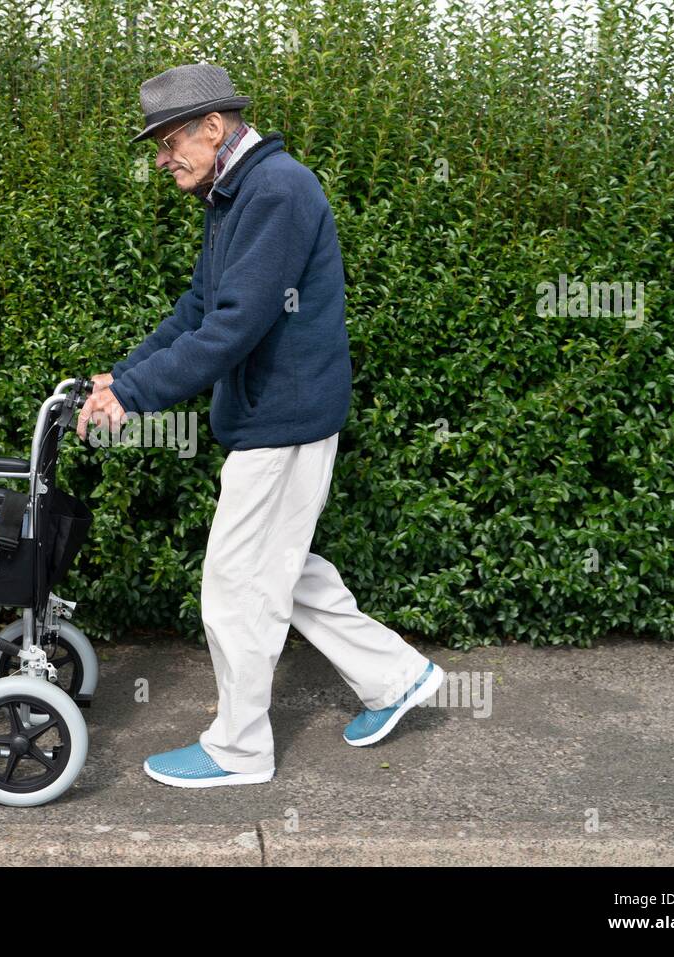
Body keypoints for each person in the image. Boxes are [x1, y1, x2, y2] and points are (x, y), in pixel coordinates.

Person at [77, 63, 444, 788]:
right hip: (275, 415)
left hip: (285, 419)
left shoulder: (275, 191)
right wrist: (125, 375)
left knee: (237, 581)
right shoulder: (235, 193)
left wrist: (137, 396)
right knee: (284, 570)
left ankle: (240, 748)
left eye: (168, 140)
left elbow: (237, 326)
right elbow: (200, 307)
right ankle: (397, 676)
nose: (161, 158)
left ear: (213, 128)